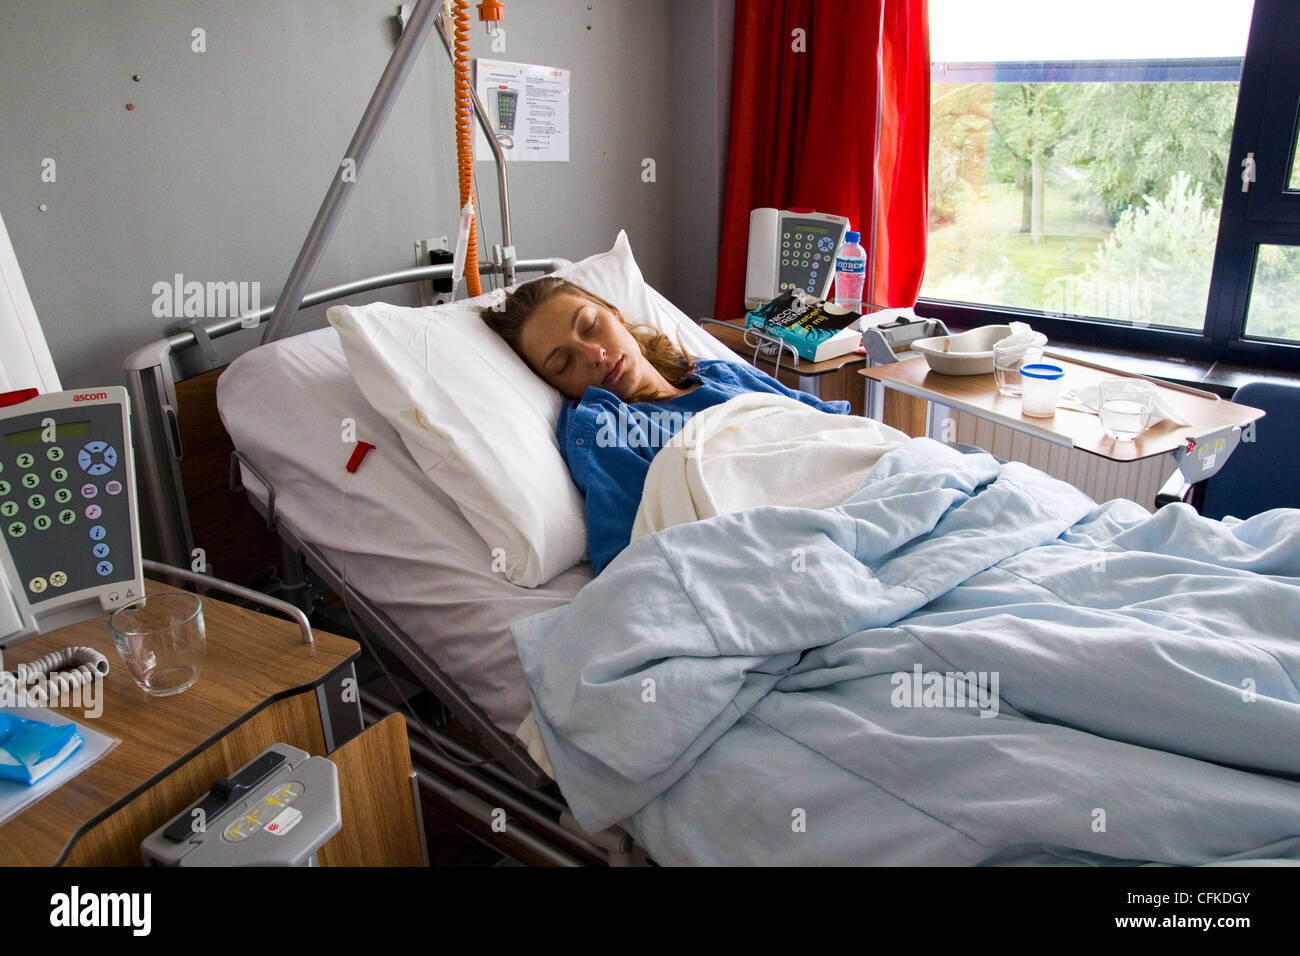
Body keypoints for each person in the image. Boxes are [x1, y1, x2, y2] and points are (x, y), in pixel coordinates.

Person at [481, 276, 850, 573]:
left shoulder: (720, 374)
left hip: (848, 503)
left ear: (616, 314)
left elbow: (833, 430)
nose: (595, 355)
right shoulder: (606, 427)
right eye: (563, 364)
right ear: (555, 385)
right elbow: (628, 565)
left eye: (592, 326)